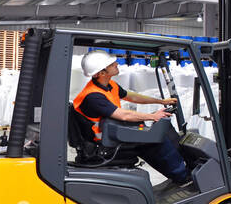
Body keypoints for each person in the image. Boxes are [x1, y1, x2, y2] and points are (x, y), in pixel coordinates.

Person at [73, 50, 193, 187]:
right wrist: (153, 116)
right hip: (103, 143)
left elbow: (133, 97)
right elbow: (124, 115)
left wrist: (161, 102)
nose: (117, 64)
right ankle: (183, 177)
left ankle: (183, 169)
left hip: (111, 132)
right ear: (101, 73)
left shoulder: (110, 85)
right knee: (154, 140)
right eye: (112, 64)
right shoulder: (93, 96)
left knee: (159, 132)